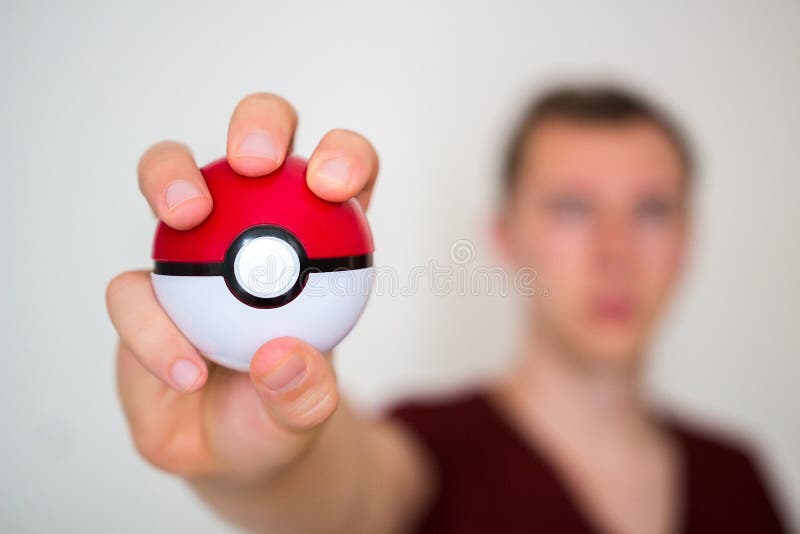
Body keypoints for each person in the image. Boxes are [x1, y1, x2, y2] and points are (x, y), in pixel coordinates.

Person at [105, 86, 789, 534]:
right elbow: (347, 494)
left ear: (687, 239)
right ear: (504, 234)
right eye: (572, 207)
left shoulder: (739, 478)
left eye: (651, 210)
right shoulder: (426, 446)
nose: (615, 250)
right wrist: (257, 463)